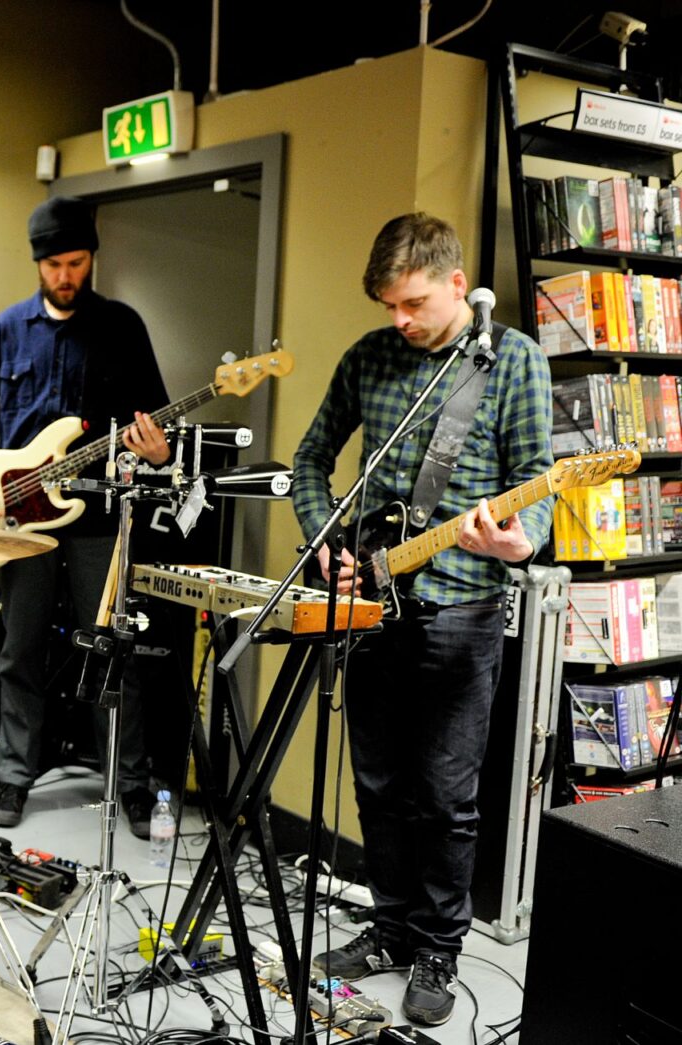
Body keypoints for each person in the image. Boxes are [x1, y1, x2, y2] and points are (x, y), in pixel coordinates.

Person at [292, 213, 552, 1027]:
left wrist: (519, 540)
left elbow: (538, 478)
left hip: (462, 608)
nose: (398, 321)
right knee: (377, 780)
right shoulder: (368, 357)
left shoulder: (512, 362)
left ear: (454, 280)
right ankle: (391, 926)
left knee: (444, 792)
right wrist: (325, 538)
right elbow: (309, 459)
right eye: (387, 306)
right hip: (369, 599)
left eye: (410, 303)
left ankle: (439, 944)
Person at [0, 195, 171, 839]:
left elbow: (154, 418)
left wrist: (156, 452)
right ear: (37, 264)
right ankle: (15, 776)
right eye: (54, 266)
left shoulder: (124, 327)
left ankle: (127, 782)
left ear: (91, 258)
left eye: (75, 263)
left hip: (100, 514)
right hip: (18, 521)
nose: (65, 276)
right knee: (20, 649)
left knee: (114, 651)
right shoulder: (7, 331)